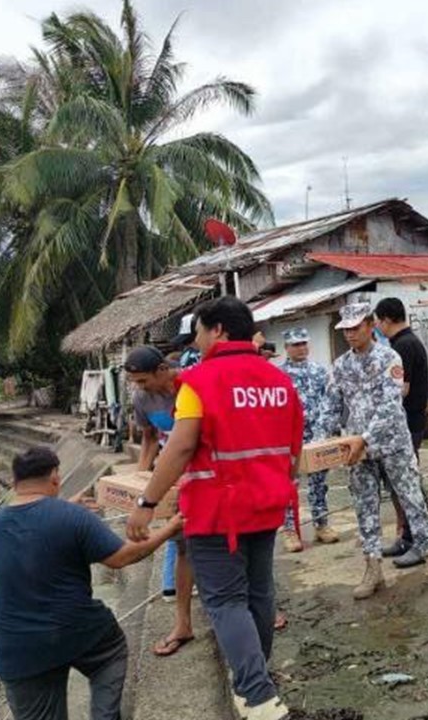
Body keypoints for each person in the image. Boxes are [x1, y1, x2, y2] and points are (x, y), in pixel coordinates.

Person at [126, 296, 303, 720]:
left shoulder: (199, 382)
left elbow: (182, 445)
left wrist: (146, 502)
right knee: (260, 593)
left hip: (216, 513)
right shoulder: (280, 380)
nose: (197, 342)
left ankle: (257, 695)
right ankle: (256, 679)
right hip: (267, 504)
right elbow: (293, 450)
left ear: (218, 330)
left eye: (200, 332)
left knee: (225, 602)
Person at [0, 447, 181, 720]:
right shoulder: (73, 518)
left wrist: (65, 510)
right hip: (80, 629)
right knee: (111, 654)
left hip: (17, 647)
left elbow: (32, 534)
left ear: (15, 483)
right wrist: (169, 529)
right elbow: (122, 557)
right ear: (55, 478)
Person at [321, 302, 428, 599]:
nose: (350, 334)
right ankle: (373, 569)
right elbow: (331, 406)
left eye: (355, 327)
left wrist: (365, 437)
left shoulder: (389, 357)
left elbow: (390, 405)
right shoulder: (341, 365)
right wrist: (322, 441)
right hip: (358, 450)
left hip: (393, 444)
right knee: (366, 508)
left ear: (370, 325)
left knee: (413, 501)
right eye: (345, 329)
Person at [123, 346, 197, 658]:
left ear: (162, 370)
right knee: (182, 544)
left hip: (201, 469)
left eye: (142, 381)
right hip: (171, 474)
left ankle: (262, 608)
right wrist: (139, 482)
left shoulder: (191, 387)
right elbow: (150, 440)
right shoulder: (142, 399)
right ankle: (183, 622)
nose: (138, 388)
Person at [373, 297, 428, 568]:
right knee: (400, 485)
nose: (377, 327)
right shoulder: (404, 343)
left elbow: (402, 388)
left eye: (376, 322)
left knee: (408, 485)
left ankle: (420, 542)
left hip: (408, 423)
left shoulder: (403, 346)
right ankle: (406, 537)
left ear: (386, 320)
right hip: (408, 422)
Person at [277, 327, 339, 551]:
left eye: (304, 343)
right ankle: (290, 530)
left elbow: (329, 402)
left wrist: (325, 431)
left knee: (318, 483)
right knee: (288, 484)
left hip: (316, 436)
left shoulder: (319, 371)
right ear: (286, 348)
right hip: (290, 438)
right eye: (296, 344)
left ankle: (321, 524)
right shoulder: (279, 375)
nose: (301, 348)